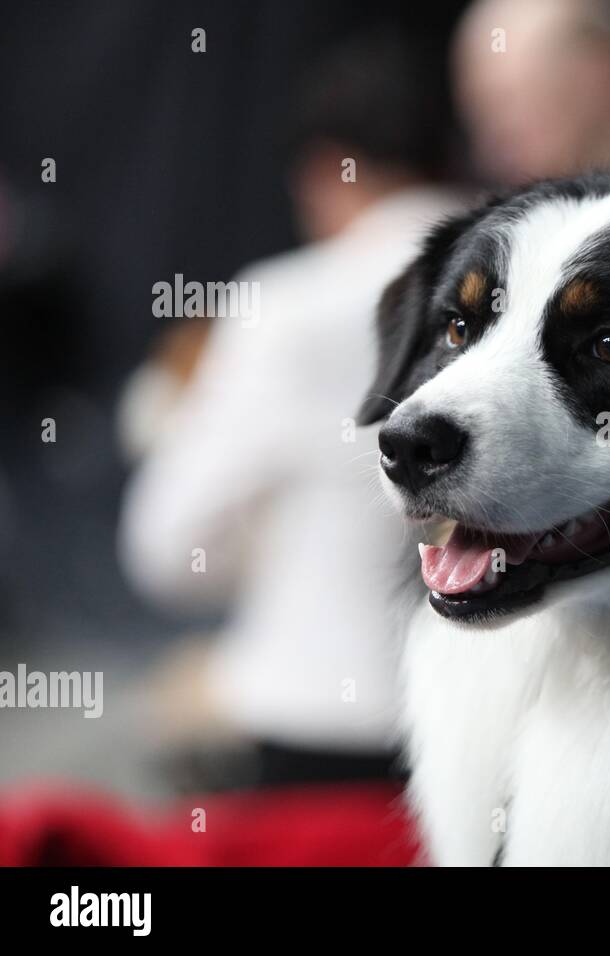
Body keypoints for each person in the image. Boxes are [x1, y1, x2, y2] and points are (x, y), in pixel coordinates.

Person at [118, 30, 463, 787]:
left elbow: (166, 547)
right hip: (482, 728)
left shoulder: (281, 307)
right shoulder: (516, 280)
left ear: (324, 170)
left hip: (318, 732)